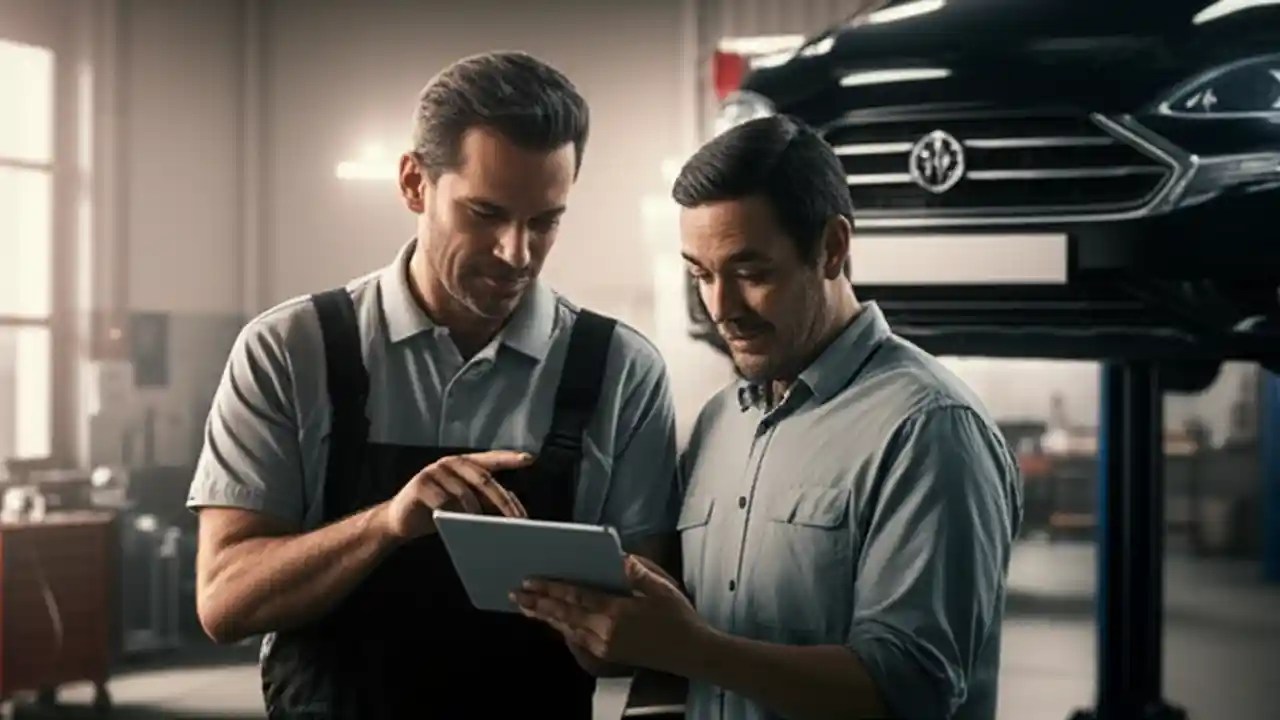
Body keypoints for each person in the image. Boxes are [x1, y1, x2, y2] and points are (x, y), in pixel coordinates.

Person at [188, 51, 680, 719]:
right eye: (485, 213)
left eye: (545, 221)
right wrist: (388, 524)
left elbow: (642, 641)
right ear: (415, 183)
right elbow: (224, 602)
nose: (517, 253)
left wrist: (607, 622)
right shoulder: (289, 350)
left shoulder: (621, 370)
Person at [514, 115, 1024, 720]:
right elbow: (679, 646)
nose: (721, 308)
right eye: (701, 275)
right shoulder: (719, 424)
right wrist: (602, 629)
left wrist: (696, 649)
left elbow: (908, 691)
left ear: (832, 248)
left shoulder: (929, 429)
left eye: (752, 274)